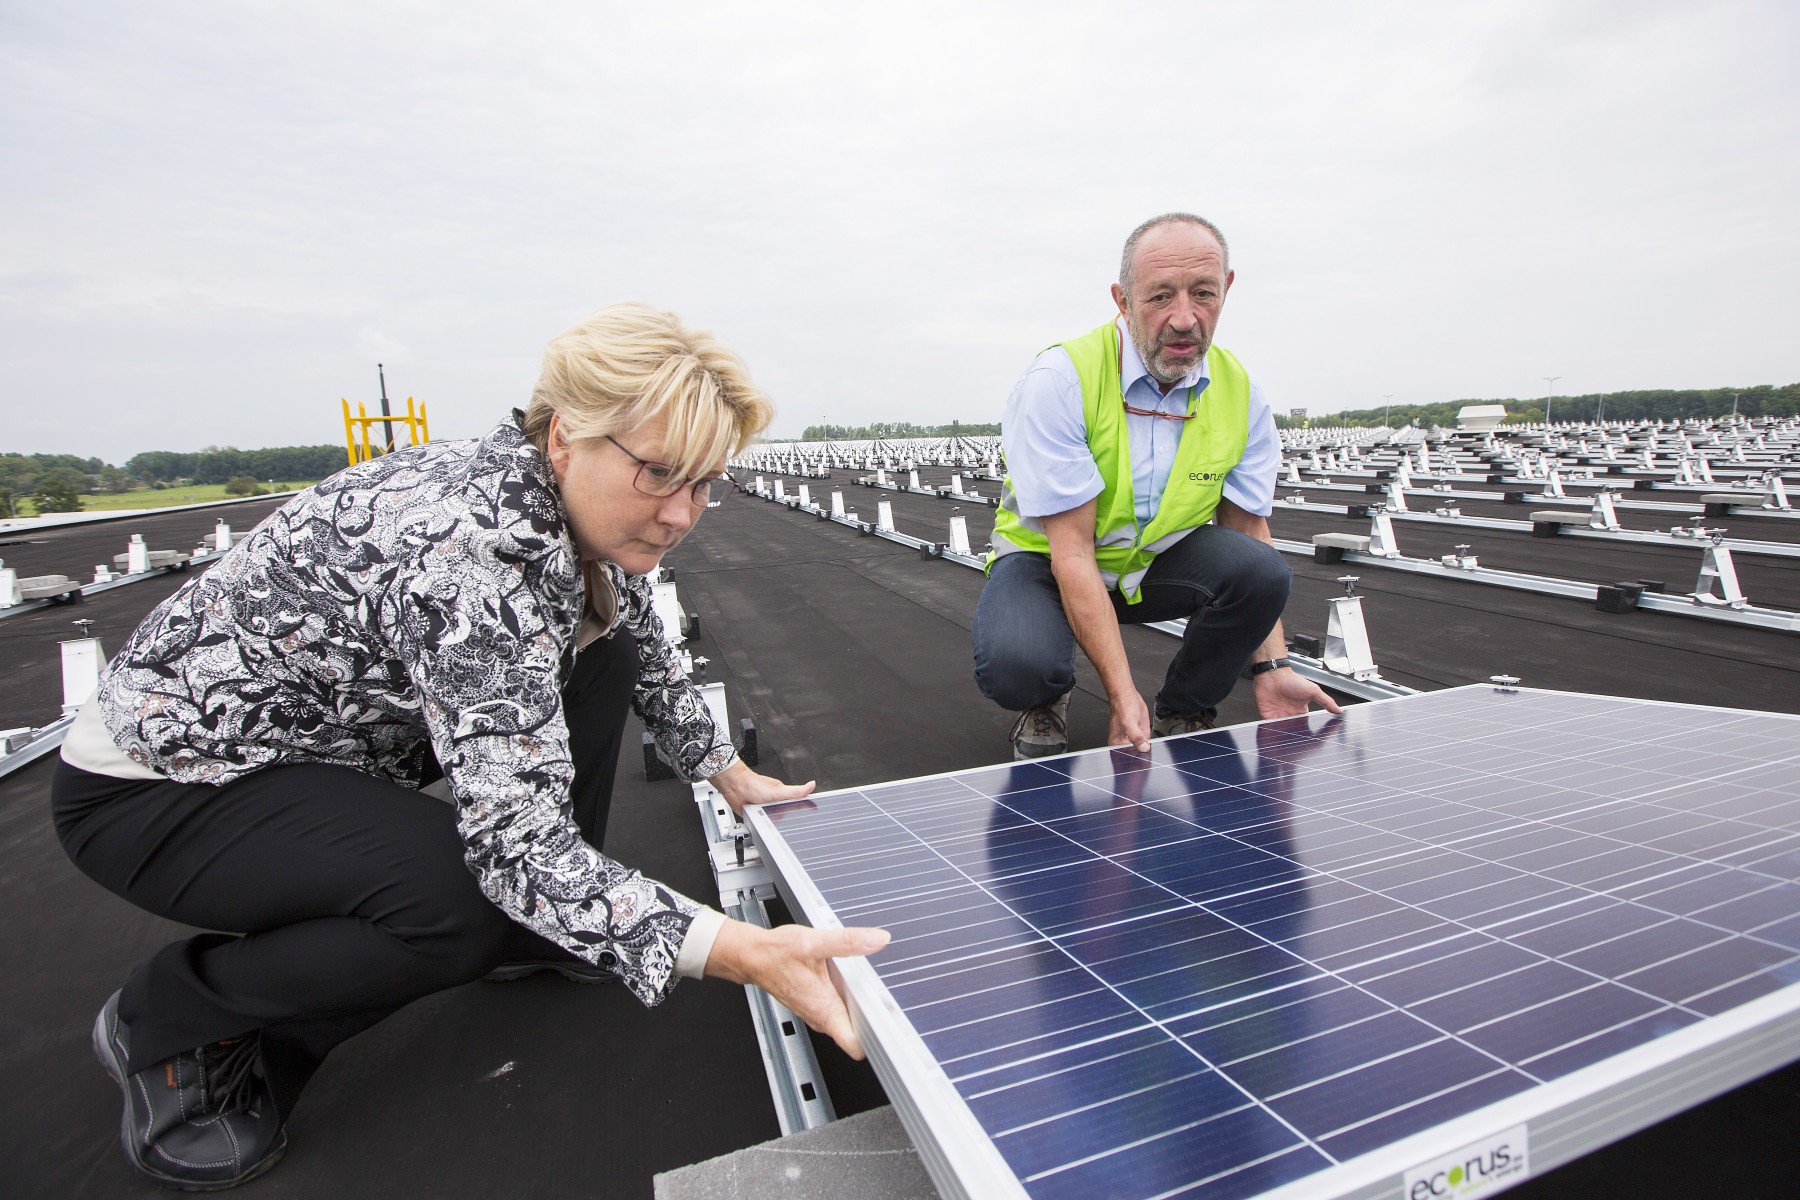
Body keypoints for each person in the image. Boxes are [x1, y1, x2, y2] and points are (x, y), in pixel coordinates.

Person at [53, 302, 888, 1190]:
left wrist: (730, 774)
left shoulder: (559, 510)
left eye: (705, 483)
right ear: (566, 435)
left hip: (306, 759)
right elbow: (512, 850)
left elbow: (636, 633)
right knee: (464, 899)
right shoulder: (466, 549)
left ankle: (554, 925)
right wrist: (738, 950)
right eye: (659, 475)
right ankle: (175, 1020)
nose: (683, 513)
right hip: (162, 785)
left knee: (595, 652)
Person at [972, 213, 1342, 760]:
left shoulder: (1241, 393)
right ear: (1122, 300)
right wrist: (1122, 696)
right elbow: (1071, 551)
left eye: (1203, 294)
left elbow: (1248, 529)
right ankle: (1048, 696)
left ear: (1228, 289)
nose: (1184, 318)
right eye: (1160, 297)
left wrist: (1273, 666)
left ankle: (1186, 706)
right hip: (1048, 563)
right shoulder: (1061, 380)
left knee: (1262, 571)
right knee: (1018, 664)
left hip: (1154, 564)